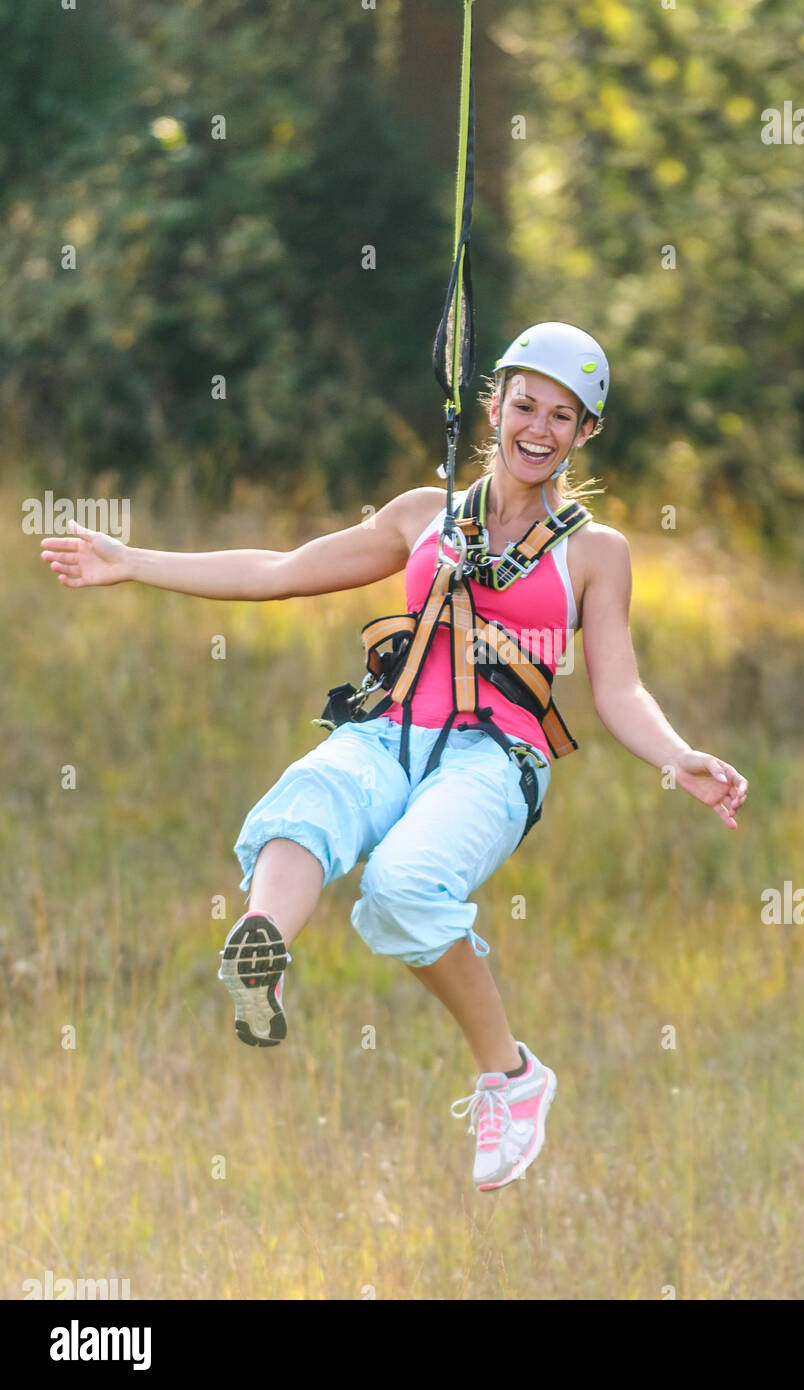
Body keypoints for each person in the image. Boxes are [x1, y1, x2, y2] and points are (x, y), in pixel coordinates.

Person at [40, 321, 748, 1191]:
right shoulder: (425, 514)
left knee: (406, 884)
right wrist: (134, 561)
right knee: (308, 800)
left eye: (564, 416)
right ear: (493, 404)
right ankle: (261, 946)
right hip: (393, 729)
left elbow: (618, 687)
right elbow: (280, 570)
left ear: (586, 433)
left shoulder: (596, 553)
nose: (539, 427)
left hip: (494, 762)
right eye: (525, 403)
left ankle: (511, 1078)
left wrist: (678, 758)